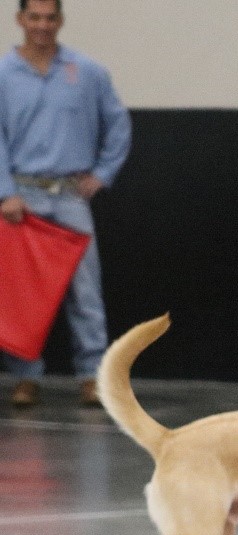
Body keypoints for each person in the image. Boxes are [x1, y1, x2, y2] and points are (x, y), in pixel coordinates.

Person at [0, 0, 131, 407]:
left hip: (71, 198)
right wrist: (6, 191)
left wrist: (103, 175)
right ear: (20, 20)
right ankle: (25, 378)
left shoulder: (87, 72)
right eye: (34, 17)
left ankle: (93, 376)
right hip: (23, 199)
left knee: (85, 293)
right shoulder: (3, 74)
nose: (42, 25)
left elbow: (118, 125)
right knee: (23, 296)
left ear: (60, 21)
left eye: (50, 17)